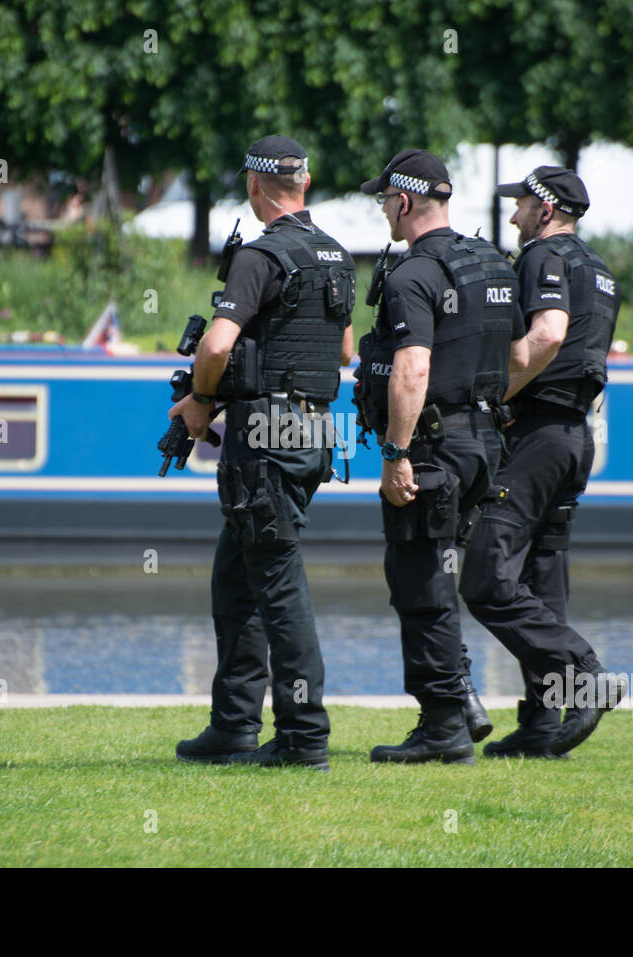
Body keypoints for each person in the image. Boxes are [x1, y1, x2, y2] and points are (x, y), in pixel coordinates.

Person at [172, 135, 355, 772]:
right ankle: (233, 726)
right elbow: (344, 351)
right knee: (236, 578)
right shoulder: (336, 255)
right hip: (313, 431)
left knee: (278, 584)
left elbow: (216, 345)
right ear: (304, 182)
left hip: (264, 439)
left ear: (254, 184)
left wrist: (200, 399)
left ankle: (304, 735)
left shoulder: (260, 255)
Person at [355, 149, 520, 764]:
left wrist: (396, 453)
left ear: (403, 200)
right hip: (484, 444)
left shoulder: (413, 275)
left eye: (384, 200)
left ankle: (443, 726)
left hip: (432, 447)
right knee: (438, 576)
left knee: (418, 580)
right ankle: (462, 701)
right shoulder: (492, 263)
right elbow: (524, 351)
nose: (383, 211)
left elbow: (412, 369)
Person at [460, 166, 626, 758]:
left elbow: (549, 335)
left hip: (535, 436)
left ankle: (584, 674)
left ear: (547, 209)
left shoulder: (542, 256)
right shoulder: (600, 270)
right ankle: (540, 724)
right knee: (542, 580)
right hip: (575, 437)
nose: (513, 216)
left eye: (522, 205)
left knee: (485, 579)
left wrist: (489, 397)